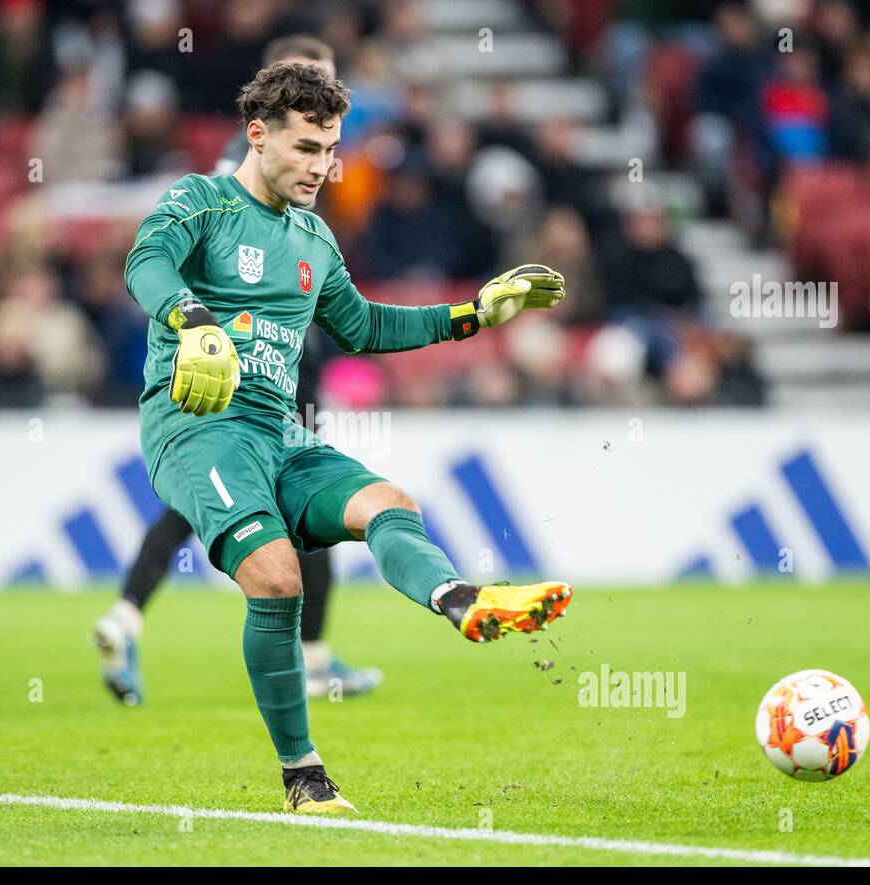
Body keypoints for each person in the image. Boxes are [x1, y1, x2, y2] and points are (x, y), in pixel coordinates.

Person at [122, 61, 572, 814]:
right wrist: (191, 320)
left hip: (279, 431)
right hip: (197, 429)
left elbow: (362, 326)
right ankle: (304, 778)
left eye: (330, 149)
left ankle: (458, 598)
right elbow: (147, 262)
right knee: (275, 576)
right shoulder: (199, 200)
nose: (322, 168)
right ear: (257, 135)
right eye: (305, 148)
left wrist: (472, 315)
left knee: (388, 502)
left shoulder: (313, 238)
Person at [91, 36, 384, 704]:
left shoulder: (251, 158)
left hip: (226, 351)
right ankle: (313, 659)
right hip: (264, 358)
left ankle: (126, 613)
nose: (329, 111)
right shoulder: (249, 173)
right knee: (304, 490)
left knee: (196, 500)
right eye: (319, 86)